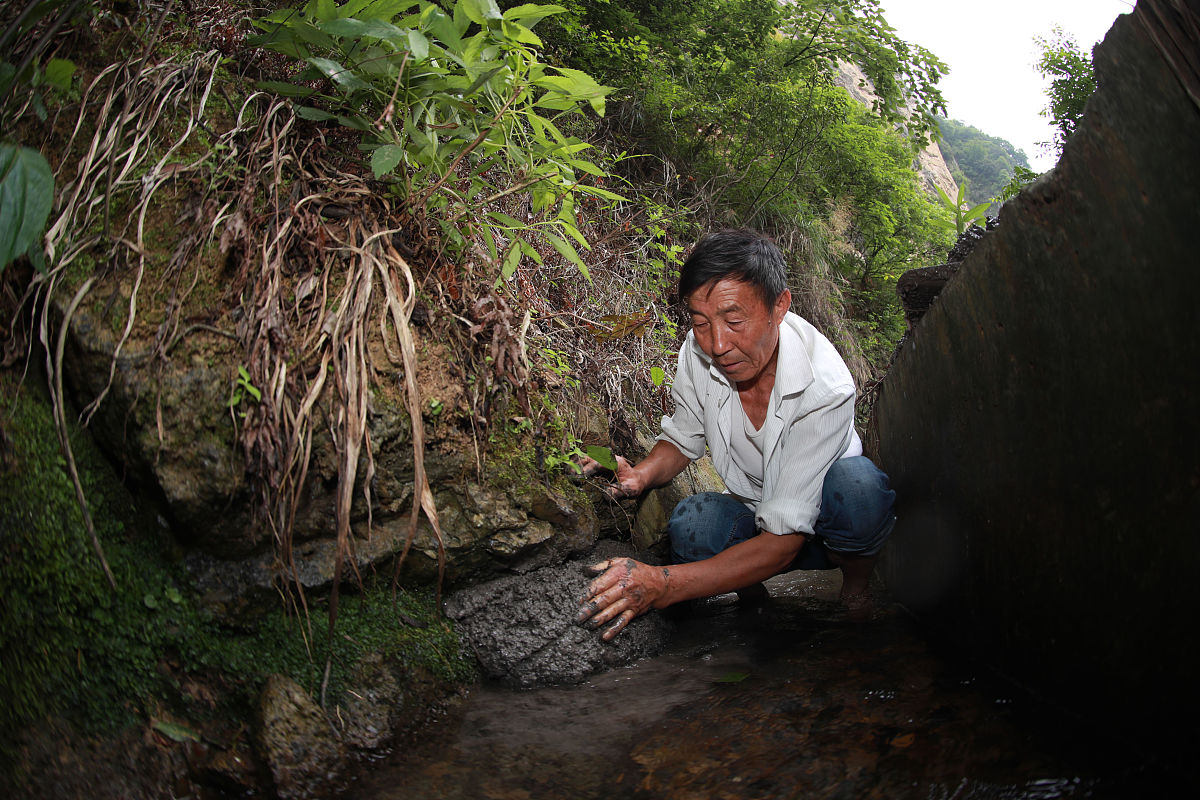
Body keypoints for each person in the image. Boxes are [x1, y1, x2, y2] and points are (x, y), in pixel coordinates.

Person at [576, 229, 896, 640]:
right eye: (701, 323)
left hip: (825, 525)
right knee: (692, 525)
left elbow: (784, 541)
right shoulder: (698, 350)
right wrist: (639, 475)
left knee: (858, 490)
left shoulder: (826, 388)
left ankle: (854, 588)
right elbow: (683, 434)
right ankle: (752, 596)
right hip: (756, 514)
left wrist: (661, 585)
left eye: (734, 321)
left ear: (779, 306)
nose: (718, 344)